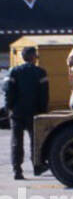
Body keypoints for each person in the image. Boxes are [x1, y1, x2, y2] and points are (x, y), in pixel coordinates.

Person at [5, 47, 49, 179]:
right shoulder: (40, 72)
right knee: (35, 140)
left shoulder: (13, 71)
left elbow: (8, 91)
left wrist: (9, 107)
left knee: (16, 141)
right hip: (34, 111)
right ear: (33, 57)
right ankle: (37, 166)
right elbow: (44, 94)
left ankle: (17, 170)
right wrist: (43, 110)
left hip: (17, 112)